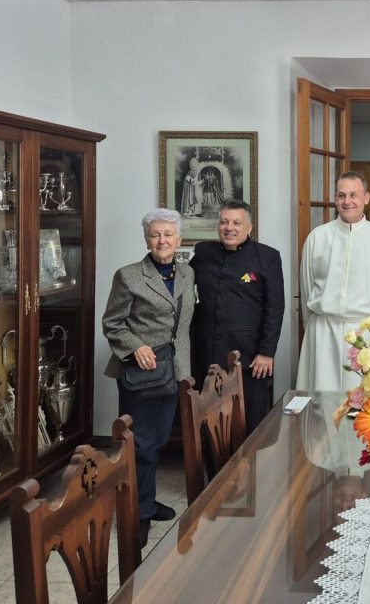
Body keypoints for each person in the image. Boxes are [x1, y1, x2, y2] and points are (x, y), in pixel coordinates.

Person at [102, 208, 194, 548]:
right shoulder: (128, 276)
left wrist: (186, 371)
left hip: (173, 370)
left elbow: (182, 325)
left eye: (168, 234)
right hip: (141, 372)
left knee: (155, 443)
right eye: (156, 234)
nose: (162, 240)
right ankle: (136, 516)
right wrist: (136, 346)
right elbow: (112, 323)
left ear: (179, 240)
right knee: (139, 445)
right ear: (146, 239)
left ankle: (147, 501)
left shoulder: (187, 274)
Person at [190, 199, 284, 434]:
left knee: (249, 423)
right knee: (210, 426)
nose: (229, 228)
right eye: (224, 222)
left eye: (236, 222)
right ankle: (215, 473)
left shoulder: (267, 257)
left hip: (251, 358)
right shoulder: (202, 253)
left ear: (249, 227)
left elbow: (275, 307)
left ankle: (249, 471)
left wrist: (267, 352)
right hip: (208, 353)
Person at [296, 172, 370, 391]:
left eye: (353, 195)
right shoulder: (317, 237)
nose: (347, 201)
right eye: (341, 195)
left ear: (366, 198)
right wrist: (312, 326)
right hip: (324, 331)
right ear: (335, 199)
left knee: (368, 408)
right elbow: (307, 287)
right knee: (322, 403)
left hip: (368, 334)